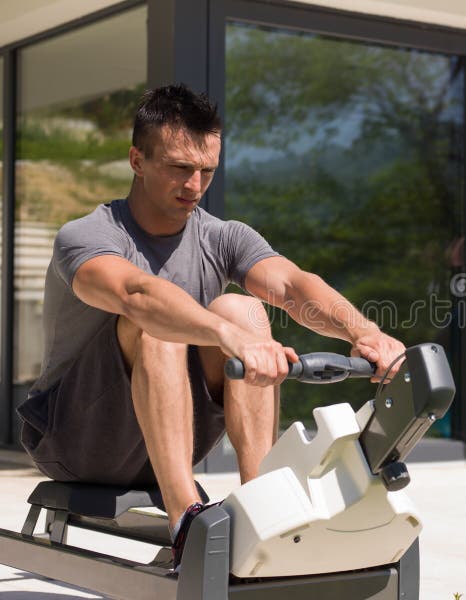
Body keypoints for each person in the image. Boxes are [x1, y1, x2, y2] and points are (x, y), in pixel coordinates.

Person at [16, 84, 405, 567]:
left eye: (206, 171)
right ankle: (186, 529)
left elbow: (292, 286)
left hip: (171, 436)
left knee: (244, 310)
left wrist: (362, 332)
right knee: (161, 322)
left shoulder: (222, 236)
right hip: (76, 441)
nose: (195, 186)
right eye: (179, 168)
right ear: (137, 160)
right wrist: (228, 338)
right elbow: (136, 295)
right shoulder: (87, 235)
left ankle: (263, 510)